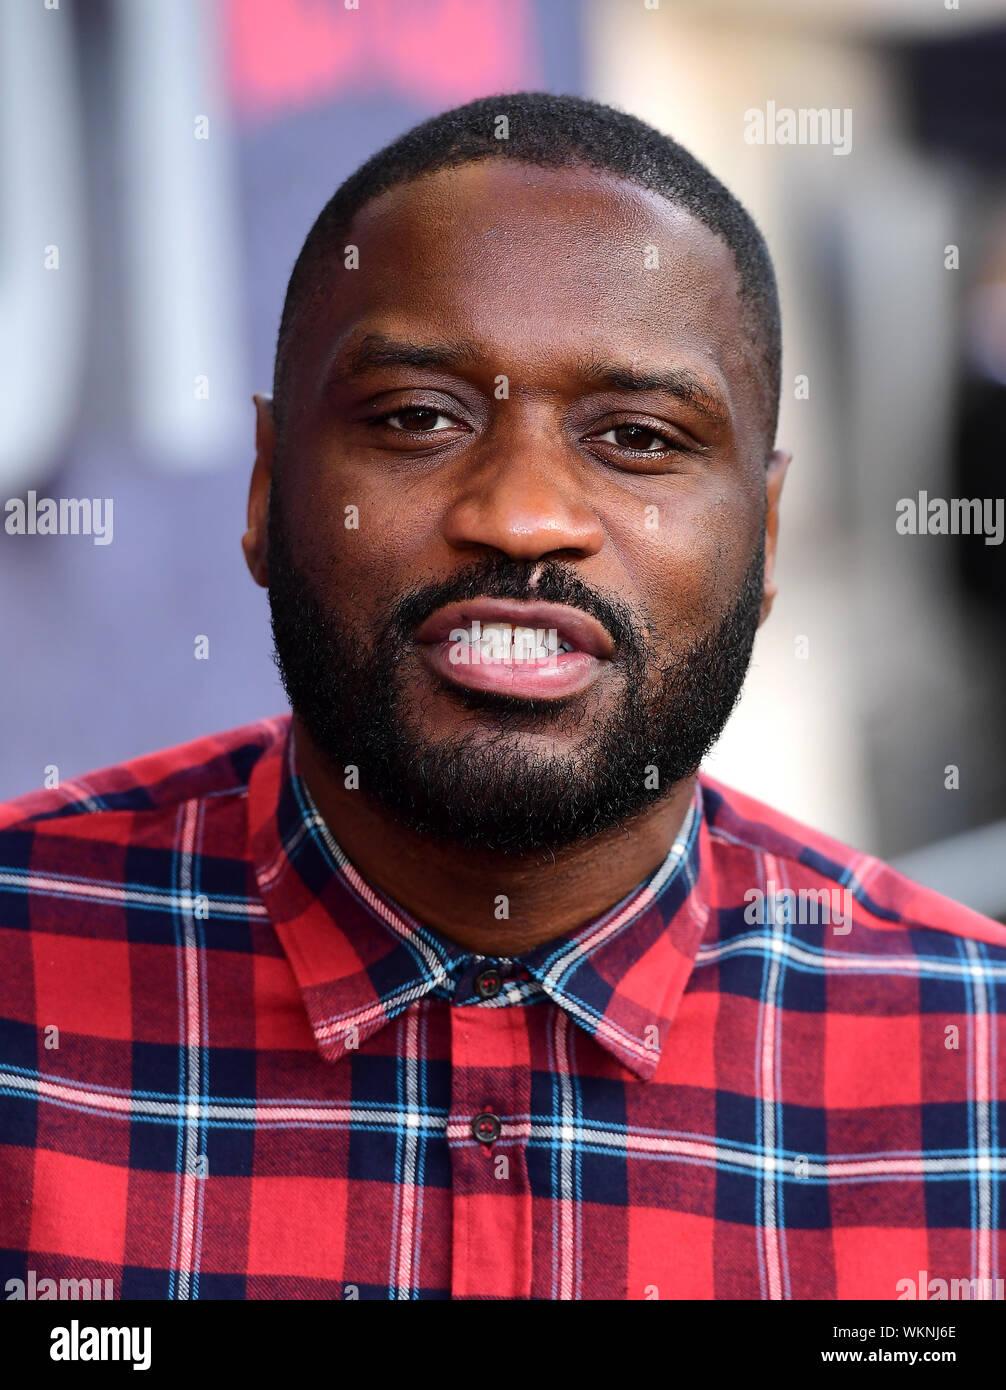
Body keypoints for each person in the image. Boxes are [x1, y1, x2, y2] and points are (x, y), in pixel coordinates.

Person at [1, 92, 1003, 1302]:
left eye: (637, 437)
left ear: (768, 531)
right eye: (418, 419)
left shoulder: (975, 1063)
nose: (522, 514)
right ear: (267, 490)